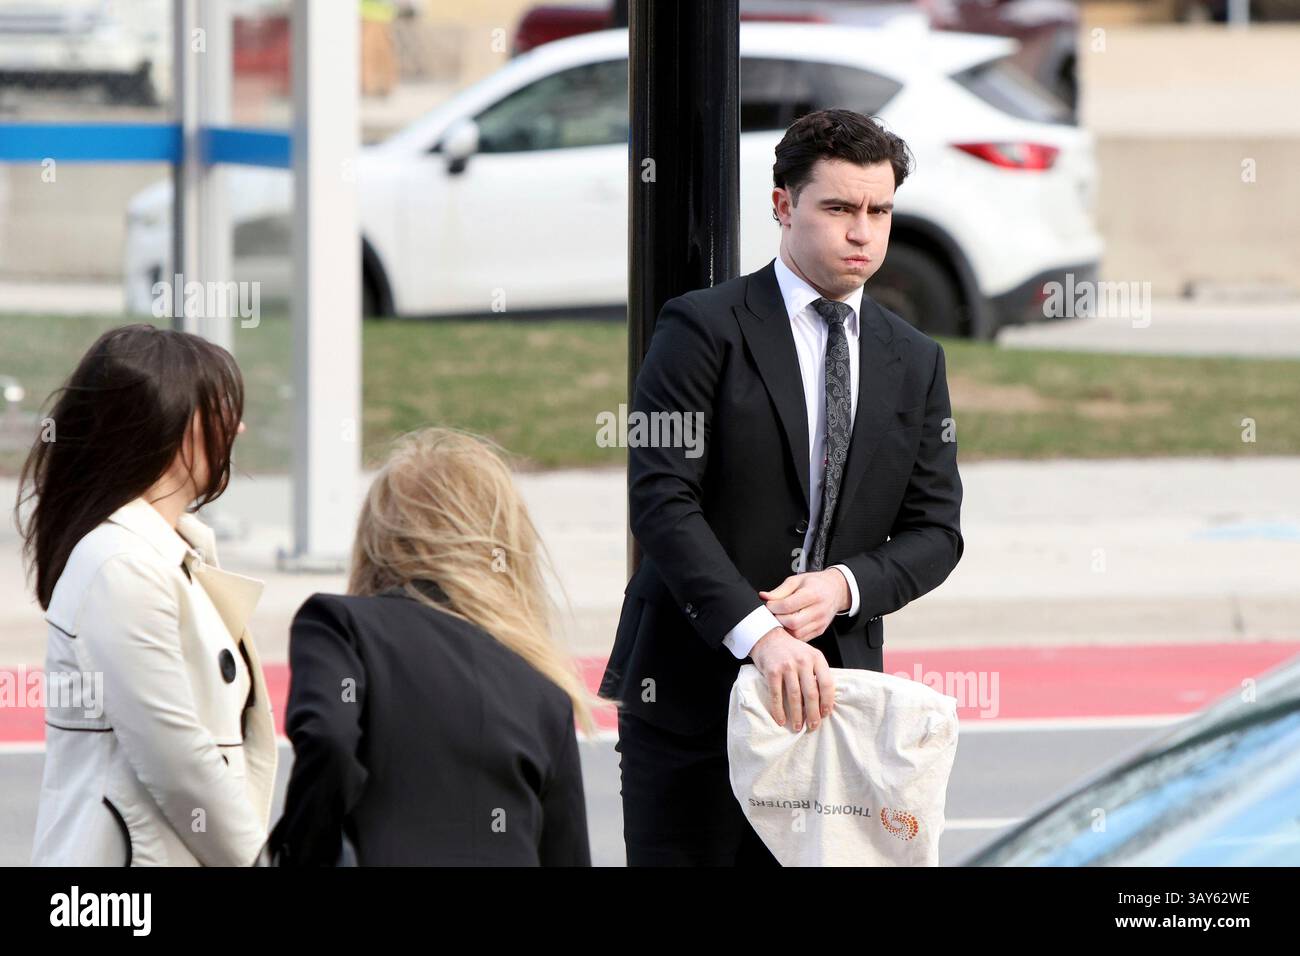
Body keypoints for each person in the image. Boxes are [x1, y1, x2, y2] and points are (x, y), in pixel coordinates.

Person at [599, 109, 965, 865]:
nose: (862, 232)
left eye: (879, 211)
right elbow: (661, 500)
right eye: (837, 208)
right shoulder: (700, 327)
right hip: (691, 700)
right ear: (782, 205)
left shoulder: (916, 358)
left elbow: (937, 532)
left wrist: (845, 585)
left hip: (831, 708)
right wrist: (757, 633)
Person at [268, 427, 595, 866]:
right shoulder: (540, 684)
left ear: (379, 534)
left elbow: (330, 739)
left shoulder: (342, 626)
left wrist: (305, 850)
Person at [19, 323, 277, 866]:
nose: (241, 427)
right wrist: (258, 860)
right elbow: (177, 757)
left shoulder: (164, 550)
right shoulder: (123, 565)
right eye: (223, 410)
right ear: (175, 426)